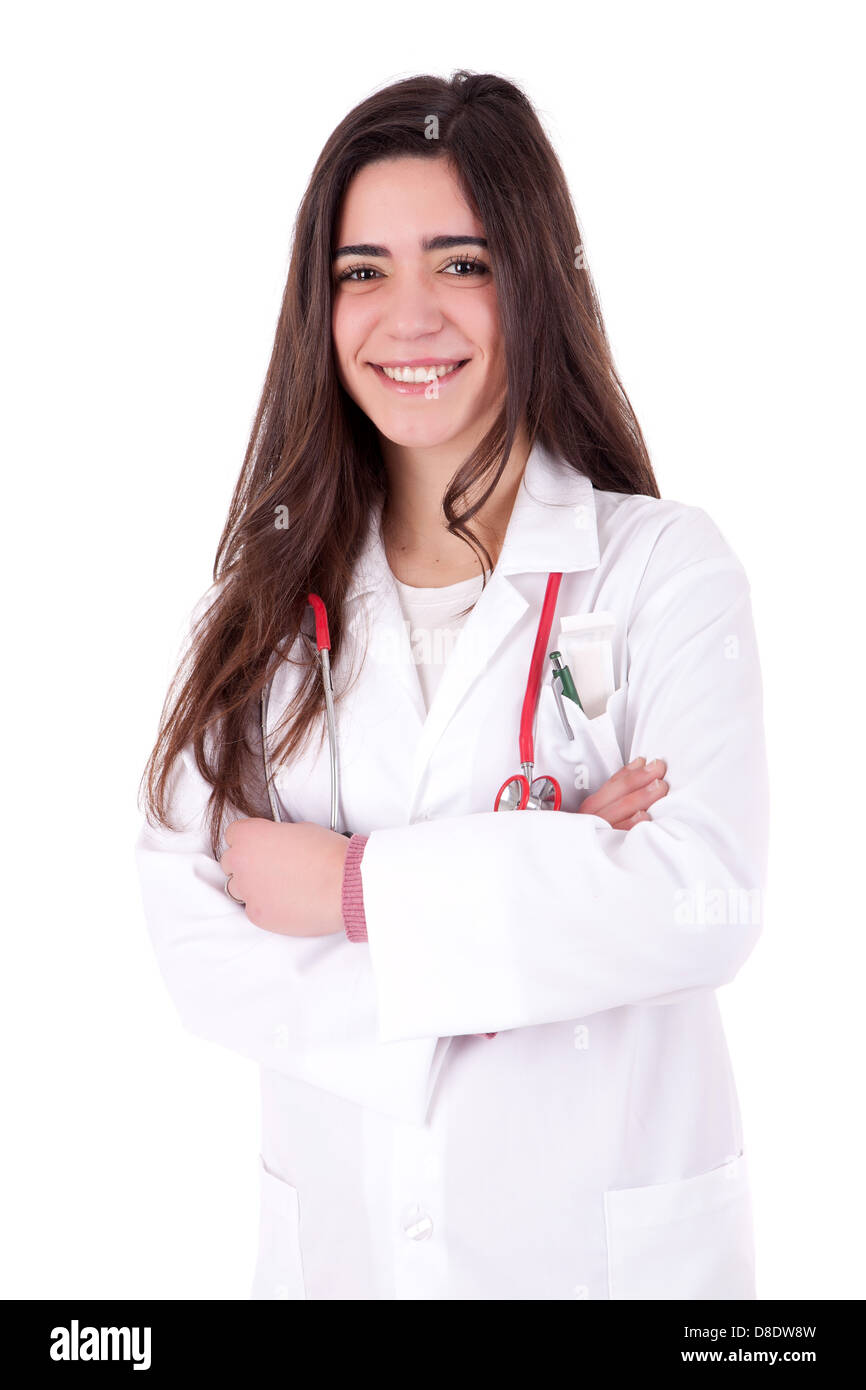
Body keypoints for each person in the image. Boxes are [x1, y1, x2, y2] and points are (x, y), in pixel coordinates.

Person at [135, 70, 768, 1301]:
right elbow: (195, 940)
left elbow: (704, 896)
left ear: (533, 282)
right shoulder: (259, 608)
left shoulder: (660, 570)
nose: (406, 315)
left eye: (461, 263)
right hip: (347, 1258)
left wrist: (357, 888)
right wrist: (541, 884)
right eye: (361, 270)